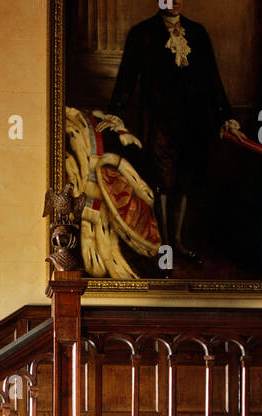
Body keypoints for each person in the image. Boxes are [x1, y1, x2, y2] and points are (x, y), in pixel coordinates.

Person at [101, 0, 239, 261]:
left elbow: (213, 80)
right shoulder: (142, 33)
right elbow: (126, 79)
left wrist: (226, 117)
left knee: (184, 182)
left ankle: (177, 242)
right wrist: (115, 113)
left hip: (193, 121)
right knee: (163, 181)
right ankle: (164, 246)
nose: (173, 1)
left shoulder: (197, 33)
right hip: (158, 122)